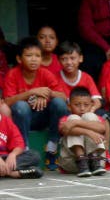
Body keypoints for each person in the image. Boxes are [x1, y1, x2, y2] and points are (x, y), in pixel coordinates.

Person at [4, 37, 68, 170]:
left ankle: (52, 147)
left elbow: (63, 96)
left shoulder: (45, 73)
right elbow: (8, 102)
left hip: (43, 117)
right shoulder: (13, 74)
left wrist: (46, 94)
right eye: (29, 55)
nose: (34, 59)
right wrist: (32, 92)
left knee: (59, 103)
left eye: (37, 56)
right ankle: (25, 151)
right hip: (22, 119)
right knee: (21, 106)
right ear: (19, 59)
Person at [58, 87, 108, 177]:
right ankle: (81, 159)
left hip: (98, 163)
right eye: (77, 105)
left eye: (86, 105)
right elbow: (65, 129)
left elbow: (102, 128)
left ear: (92, 105)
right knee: (72, 118)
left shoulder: (95, 117)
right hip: (72, 162)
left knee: (89, 116)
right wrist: (89, 132)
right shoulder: (65, 119)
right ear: (69, 106)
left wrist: (76, 122)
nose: (82, 108)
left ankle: (94, 158)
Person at [0, 112, 42, 179]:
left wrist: (13, 154)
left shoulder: (6, 121)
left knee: (34, 155)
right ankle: (11, 173)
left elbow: (19, 143)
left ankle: (4, 171)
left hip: (6, 158)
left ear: (1, 102)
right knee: (37, 171)